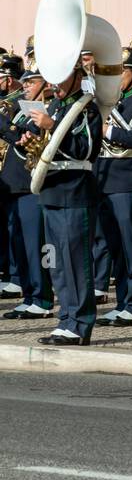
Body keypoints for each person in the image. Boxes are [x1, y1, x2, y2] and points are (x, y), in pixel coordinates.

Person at [22, 56, 102, 345]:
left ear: (75, 76)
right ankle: (66, 318)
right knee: (55, 261)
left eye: (59, 77)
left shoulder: (86, 108)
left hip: (74, 191)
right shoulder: (57, 105)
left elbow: (86, 150)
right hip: (52, 191)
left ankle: (80, 324)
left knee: (75, 260)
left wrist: (52, 125)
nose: (53, 85)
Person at [97, 41, 132, 327]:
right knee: (116, 245)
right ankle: (123, 302)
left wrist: (109, 130)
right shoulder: (114, 101)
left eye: (121, 71)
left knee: (131, 243)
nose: (116, 76)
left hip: (130, 177)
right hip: (107, 177)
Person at [0, 54, 53, 321]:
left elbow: (23, 140)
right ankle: (30, 296)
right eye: (25, 82)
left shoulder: (46, 110)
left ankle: (42, 298)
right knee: (19, 244)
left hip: (30, 186)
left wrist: (4, 126)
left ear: (45, 83)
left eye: (31, 82)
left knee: (35, 245)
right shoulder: (23, 108)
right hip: (13, 186)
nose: (26, 86)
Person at [0, 50, 26, 300]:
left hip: (18, 173)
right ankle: (10, 274)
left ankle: (18, 278)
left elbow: (14, 134)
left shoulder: (17, 101)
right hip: (5, 175)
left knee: (16, 228)